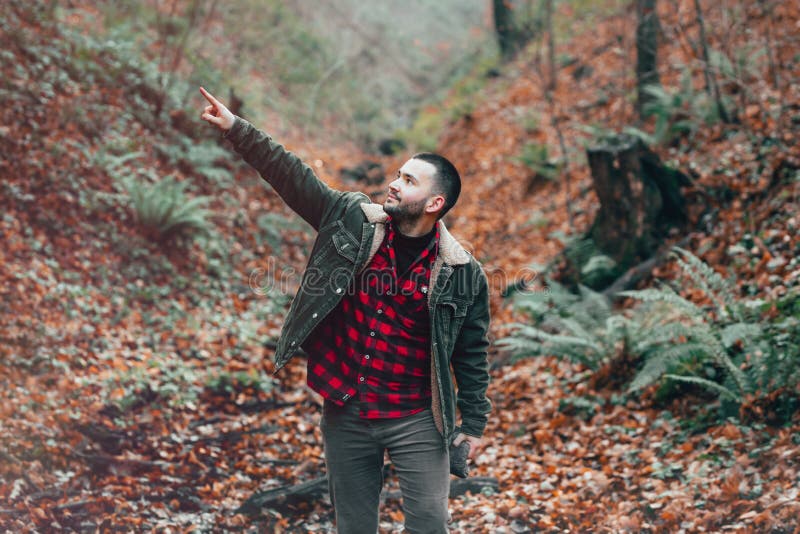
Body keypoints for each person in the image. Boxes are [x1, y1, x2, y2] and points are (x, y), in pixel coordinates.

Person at [199, 87, 492, 534]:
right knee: (353, 526)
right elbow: (293, 176)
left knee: (431, 523)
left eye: (409, 181)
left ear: (435, 204)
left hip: (415, 416)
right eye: (399, 174)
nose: (394, 183)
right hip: (346, 406)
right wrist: (237, 129)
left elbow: (471, 353)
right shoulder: (353, 219)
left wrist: (473, 421)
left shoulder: (463, 273)